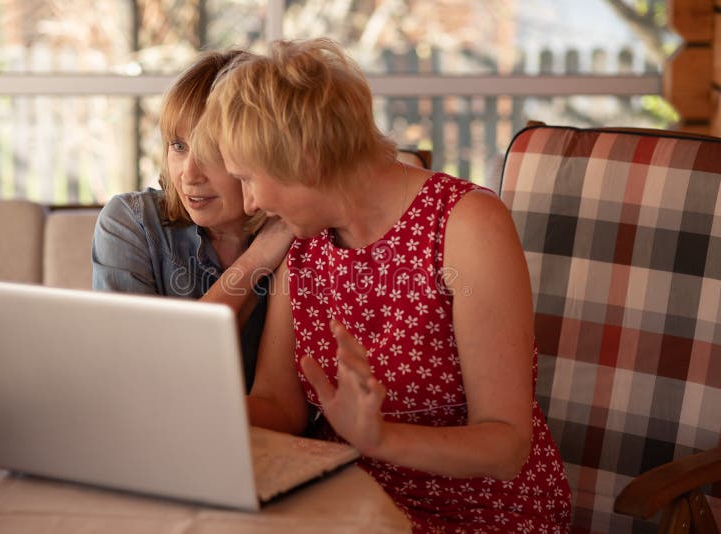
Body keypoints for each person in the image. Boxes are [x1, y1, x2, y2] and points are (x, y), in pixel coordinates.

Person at [194, 39, 572, 532]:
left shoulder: (467, 225)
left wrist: (379, 439)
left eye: (248, 179)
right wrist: (187, 411)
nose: (247, 205)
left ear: (307, 160)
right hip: (347, 503)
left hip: (480, 514)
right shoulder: (305, 238)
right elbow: (280, 406)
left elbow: (505, 447)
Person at [91, 50, 293, 392]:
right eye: (179, 145)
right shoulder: (132, 222)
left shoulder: (302, 229)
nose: (189, 174)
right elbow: (139, 378)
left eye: (212, 151)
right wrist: (258, 259)